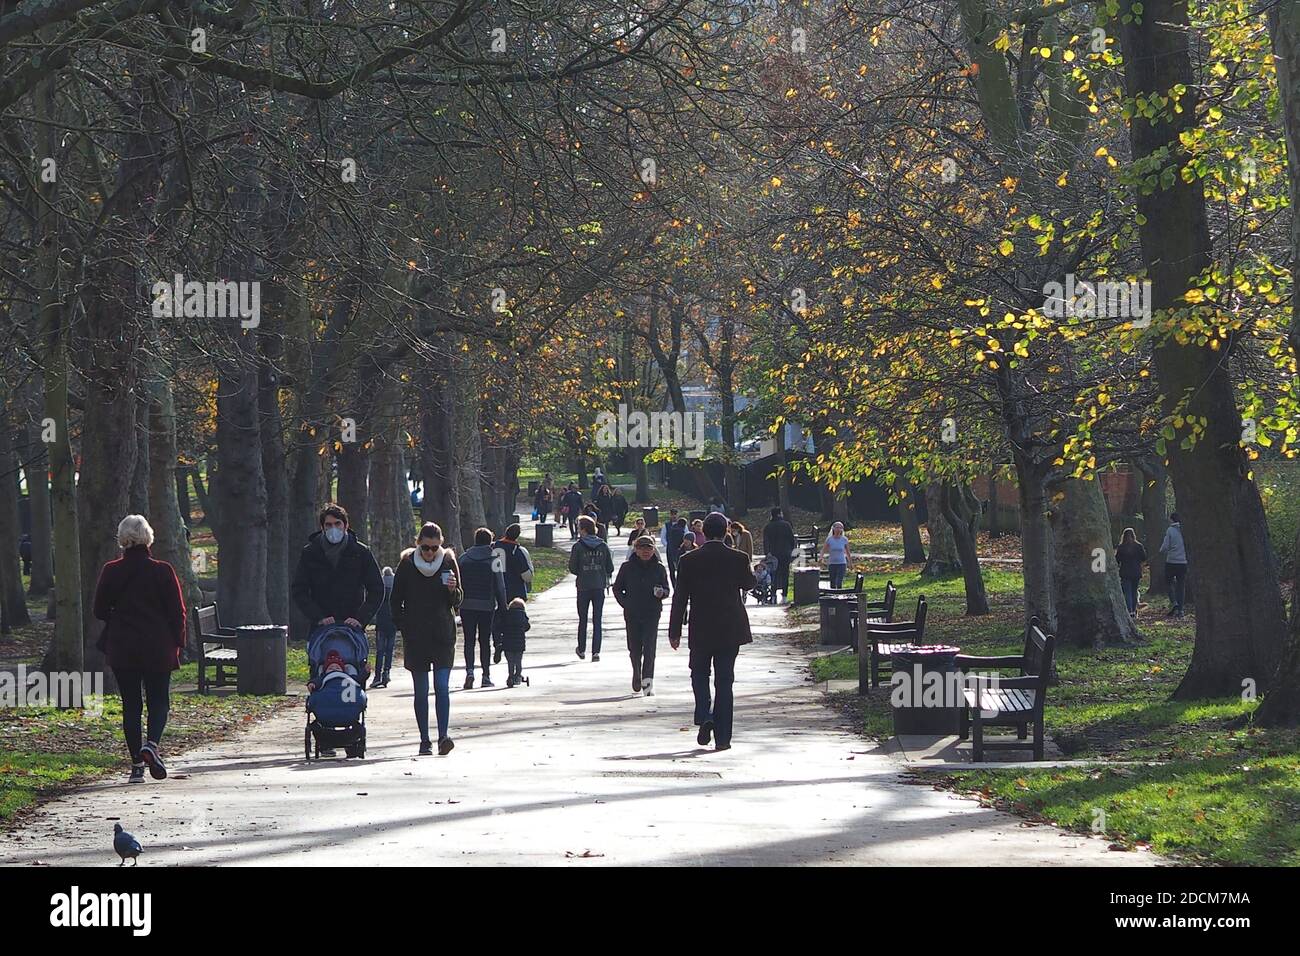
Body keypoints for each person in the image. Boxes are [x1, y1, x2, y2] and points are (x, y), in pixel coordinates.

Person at [92, 515, 185, 784]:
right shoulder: (163, 570)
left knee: (131, 705)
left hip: (123, 647)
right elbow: (177, 611)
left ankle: (136, 766)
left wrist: (119, 616)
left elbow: (99, 610)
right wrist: (178, 642)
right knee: (159, 701)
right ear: (148, 537)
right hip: (158, 647)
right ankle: (152, 745)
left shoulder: (111, 570)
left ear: (122, 538)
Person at [669, 512, 756, 751]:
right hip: (730, 627)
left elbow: (680, 598)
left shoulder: (689, 560)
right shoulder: (738, 558)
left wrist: (674, 630)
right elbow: (749, 584)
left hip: (702, 626)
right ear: (726, 531)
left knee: (699, 673)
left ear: (704, 533)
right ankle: (724, 737)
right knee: (725, 680)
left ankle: (705, 713)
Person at [390, 522, 461, 755]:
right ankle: (424, 740)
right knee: (421, 691)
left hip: (442, 635)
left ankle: (443, 736)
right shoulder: (407, 564)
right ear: (418, 544)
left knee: (441, 686)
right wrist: (404, 626)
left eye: (434, 547)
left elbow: (458, 601)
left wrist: (453, 591)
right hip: (417, 636)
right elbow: (395, 600)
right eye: (426, 548)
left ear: (440, 544)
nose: (430, 553)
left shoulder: (448, 562)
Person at [291, 503, 384, 643]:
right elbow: (299, 590)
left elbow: (376, 588)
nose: (333, 528)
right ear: (322, 527)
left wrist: (360, 618)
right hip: (321, 628)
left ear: (346, 526)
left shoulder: (360, 552)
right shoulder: (310, 553)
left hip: (352, 628)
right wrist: (318, 617)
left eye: (337, 523)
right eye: (328, 525)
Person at [613, 535, 670, 696]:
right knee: (634, 647)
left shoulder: (659, 568)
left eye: (649, 548)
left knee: (650, 647)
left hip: (652, 612)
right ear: (636, 550)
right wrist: (626, 603)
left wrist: (662, 593)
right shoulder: (627, 567)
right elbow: (617, 589)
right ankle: (636, 673)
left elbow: (667, 589)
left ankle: (647, 681)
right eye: (642, 548)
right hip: (632, 613)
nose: (646, 551)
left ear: (653, 550)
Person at [457, 527, 507, 688]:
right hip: (486, 604)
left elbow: (459, 582)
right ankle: (486, 676)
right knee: (484, 640)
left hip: (467, 604)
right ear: (490, 541)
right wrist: (503, 606)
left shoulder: (464, 558)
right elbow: (500, 586)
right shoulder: (495, 559)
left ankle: (470, 671)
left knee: (468, 640)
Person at [569, 515, 614, 660]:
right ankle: (596, 652)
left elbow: (573, 568)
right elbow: (610, 567)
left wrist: (583, 571)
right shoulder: (603, 545)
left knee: (582, 619)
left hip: (583, 586)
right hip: (599, 585)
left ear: (583, 529)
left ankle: (581, 649)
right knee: (597, 619)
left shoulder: (578, 546)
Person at [492, 523, 534, 663]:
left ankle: (498, 642)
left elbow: (495, 569)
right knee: (516, 622)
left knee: (497, 620)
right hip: (516, 593)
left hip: (499, 591)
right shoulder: (518, 551)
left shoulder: (496, 548)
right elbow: (526, 575)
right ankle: (515, 646)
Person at [762, 507, 797, 604]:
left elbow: (766, 541)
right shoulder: (786, 525)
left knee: (774, 574)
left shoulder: (768, 527)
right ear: (779, 514)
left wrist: (767, 552)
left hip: (774, 554)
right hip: (785, 552)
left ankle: (773, 595)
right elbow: (792, 539)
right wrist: (791, 550)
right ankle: (784, 595)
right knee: (785, 573)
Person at [372, 565, 397, 688]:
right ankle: (386, 672)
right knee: (389, 649)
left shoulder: (380, 585)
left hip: (381, 622)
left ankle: (377, 676)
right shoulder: (396, 585)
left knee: (380, 651)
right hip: (393, 621)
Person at [1160, 513, 1188, 617]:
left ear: (1172, 520)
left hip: (1171, 561)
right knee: (1181, 586)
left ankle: (1174, 602)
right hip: (1183, 562)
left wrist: (1161, 550)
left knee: (1168, 582)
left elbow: (1165, 546)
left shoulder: (1170, 530)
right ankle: (1180, 610)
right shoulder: (1185, 530)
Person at [1115, 528, 1147, 618]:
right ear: (1134, 535)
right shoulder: (1138, 546)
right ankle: (1133, 610)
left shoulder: (1121, 547)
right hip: (1136, 571)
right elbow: (1144, 557)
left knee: (1127, 592)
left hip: (1125, 572)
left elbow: (1117, 560)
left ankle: (1130, 611)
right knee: (1134, 592)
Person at [499, 597, 530, 687]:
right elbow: (527, 626)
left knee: (510, 661)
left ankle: (511, 676)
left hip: (507, 642)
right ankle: (518, 675)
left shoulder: (506, 615)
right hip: (519, 643)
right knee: (518, 660)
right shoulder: (523, 615)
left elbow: (501, 626)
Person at [822, 521, 851, 590]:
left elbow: (848, 552)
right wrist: (821, 558)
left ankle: (839, 596)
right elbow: (823, 550)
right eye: (837, 527)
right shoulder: (829, 539)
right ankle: (832, 598)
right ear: (833, 529)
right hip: (832, 563)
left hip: (842, 563)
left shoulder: (844, 540)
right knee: (832, 582)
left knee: (839, 582)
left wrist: (850, 563)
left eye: (840, 528)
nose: (838, 529)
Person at [663, 514, 685, 587]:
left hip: (670, 550)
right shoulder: (680, 531)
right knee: (680, 570)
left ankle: (674, 586)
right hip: (678, 551)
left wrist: (668, 545)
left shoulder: (672, 529)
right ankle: (679, 586)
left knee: (672, 570)